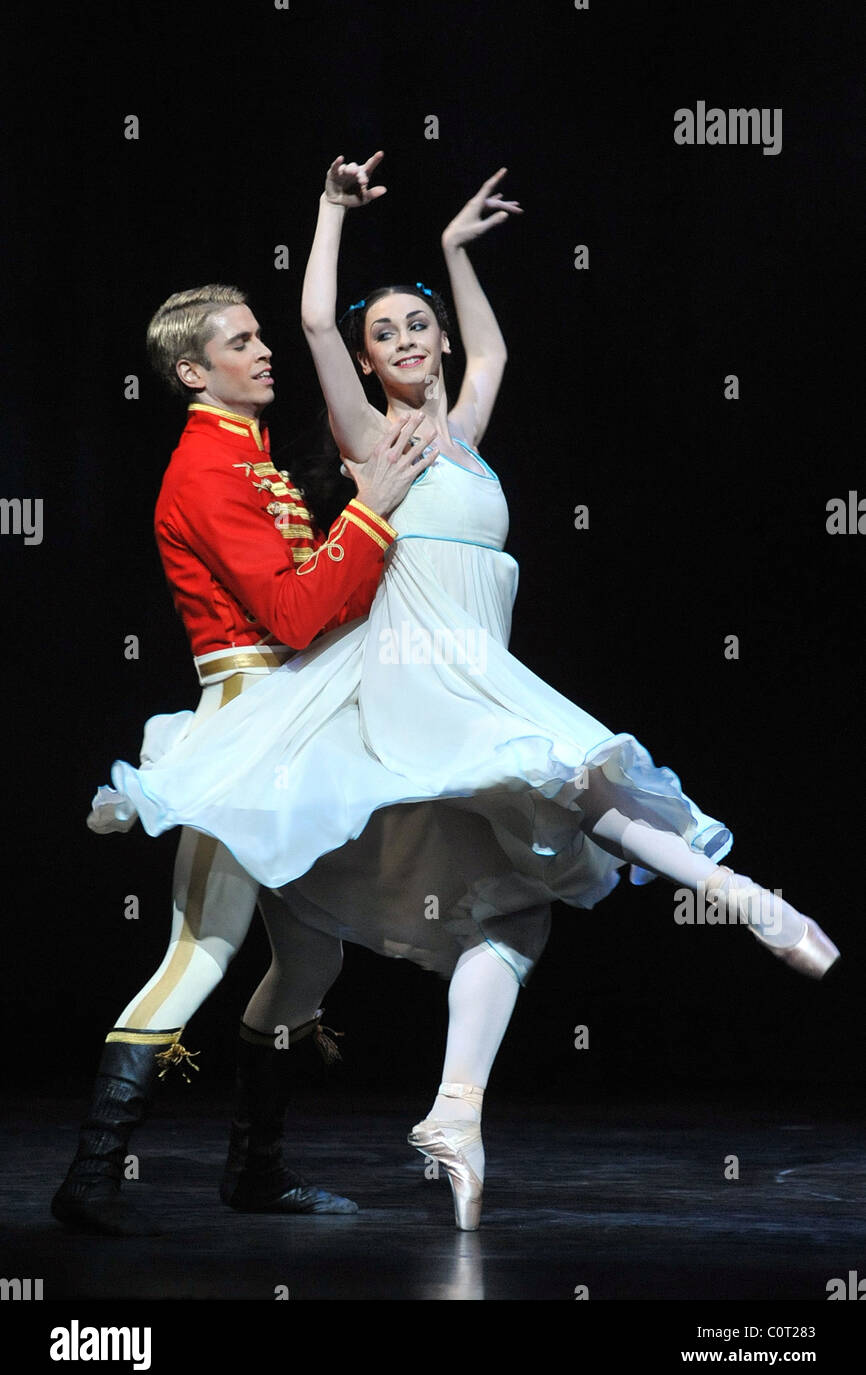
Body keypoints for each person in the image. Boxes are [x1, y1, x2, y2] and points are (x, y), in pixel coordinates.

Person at [95, 154, 841, 1232]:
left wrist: (451, 251)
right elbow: (311, 320)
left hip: (473, 675)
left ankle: (452, 1112)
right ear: (362, 365)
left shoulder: (465, 437)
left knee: (515, 906)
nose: (403, 341)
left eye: (415, 326)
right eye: (381, 334)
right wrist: (328, 208)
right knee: (573, 775)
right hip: (416, 675)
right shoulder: (376, 437)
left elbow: (492, 347)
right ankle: (752, 902)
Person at [52, 282, 435, 1236]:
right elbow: (297, 614)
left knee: (307, 965)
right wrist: (373, 512)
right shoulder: (205, 470)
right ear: (194, 372)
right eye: (242, 342)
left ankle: (257, 1172)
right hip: (248, 728)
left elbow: (316, 609)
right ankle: (90, 1178)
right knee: (199, 954)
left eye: (263, 335)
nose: (265, 352)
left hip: (294, 722)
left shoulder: (247, 456)